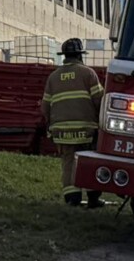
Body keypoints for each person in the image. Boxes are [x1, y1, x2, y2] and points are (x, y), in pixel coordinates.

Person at [42, 38, 106, 207]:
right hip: (86, 130)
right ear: (79, 55)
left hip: (61, 131)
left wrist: (50, 124)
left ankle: (72, 198)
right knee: (88, 161)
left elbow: (45, 105)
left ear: (64, 56)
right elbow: (100, 101)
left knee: (68, 162)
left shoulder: (53, 77)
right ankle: (93, 198)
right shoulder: (88, 74)